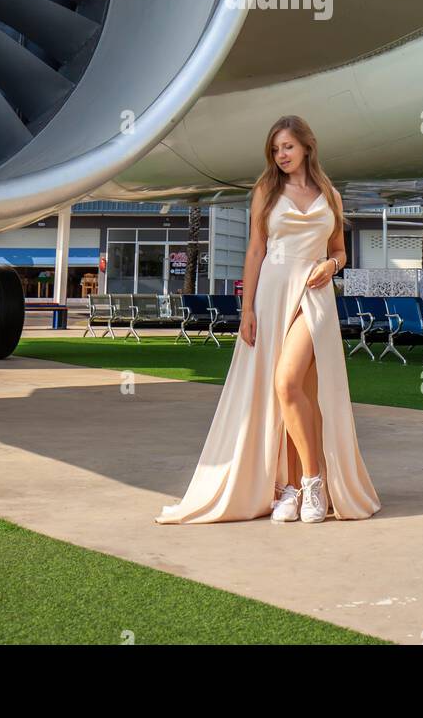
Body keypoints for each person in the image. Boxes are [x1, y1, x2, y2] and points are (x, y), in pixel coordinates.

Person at [154, 114, 381, 525]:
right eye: (276, 150)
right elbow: (256, 250)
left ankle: (313, 481)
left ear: (307, 147)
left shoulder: (329, 193)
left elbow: (340, 250)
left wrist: (331, 266)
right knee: (295, 395)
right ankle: (290, 488)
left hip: (314, 296)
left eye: (288, 147)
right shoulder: (265, 190)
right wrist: (247, 310)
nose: (281, 155)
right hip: (273, 292)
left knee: (288, 382)